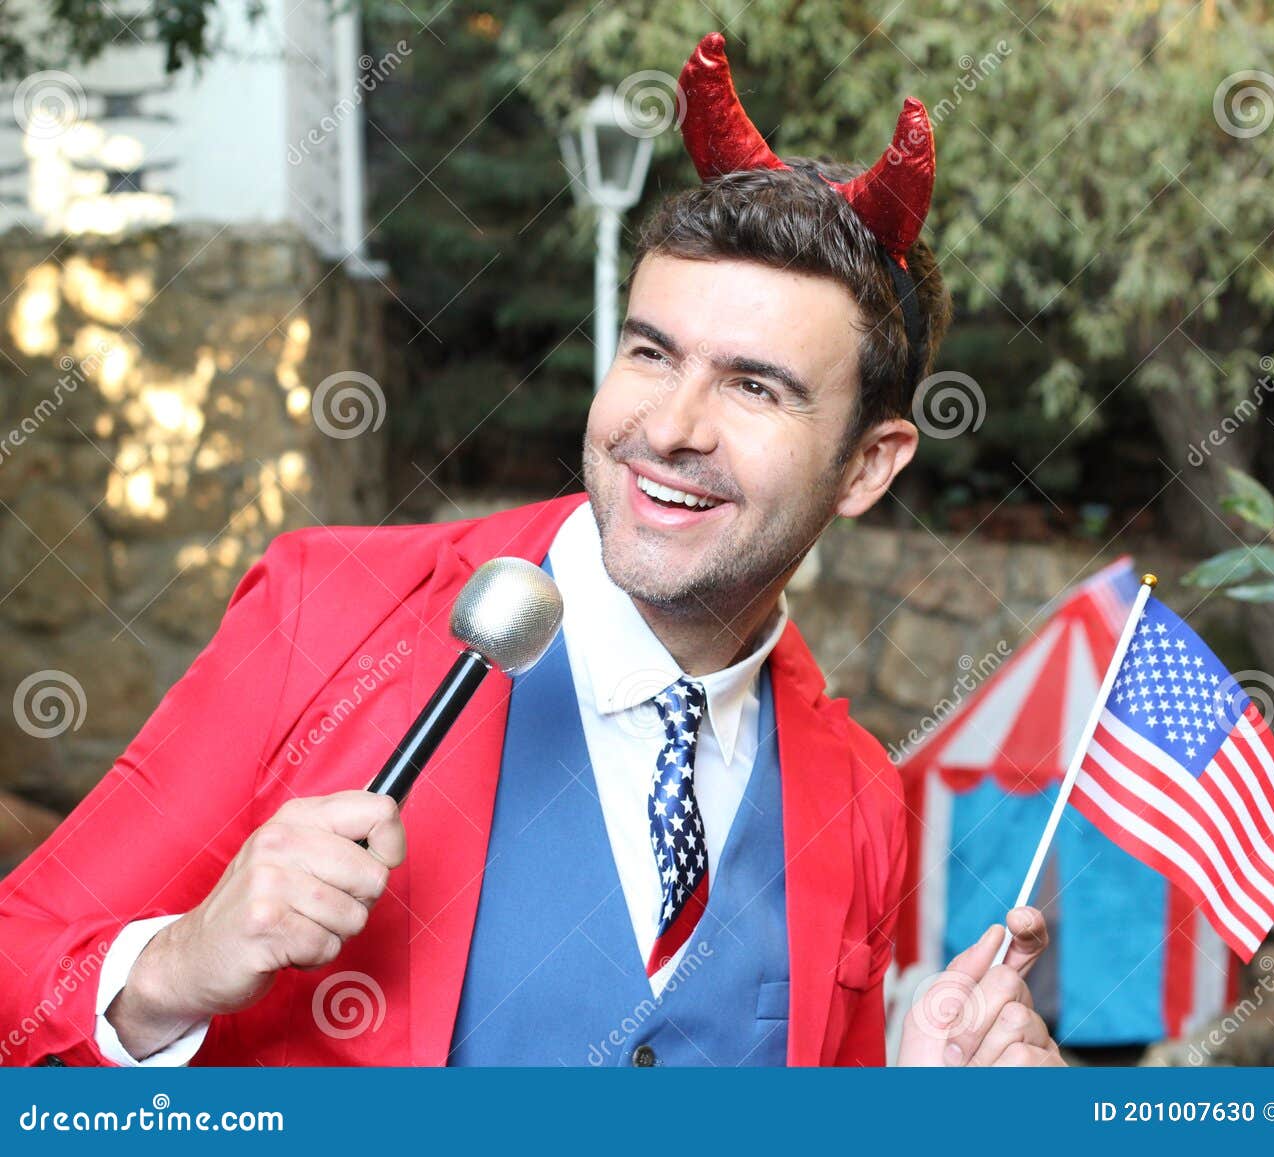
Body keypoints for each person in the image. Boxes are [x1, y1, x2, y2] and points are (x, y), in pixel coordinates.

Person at [0, 32, 1063, 1068]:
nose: (670, 426)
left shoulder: (860, 798)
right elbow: (21, 961)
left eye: (754, 386)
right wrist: (170, 971)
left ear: (869, 466)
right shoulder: (325, 612)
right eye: (651, 353)